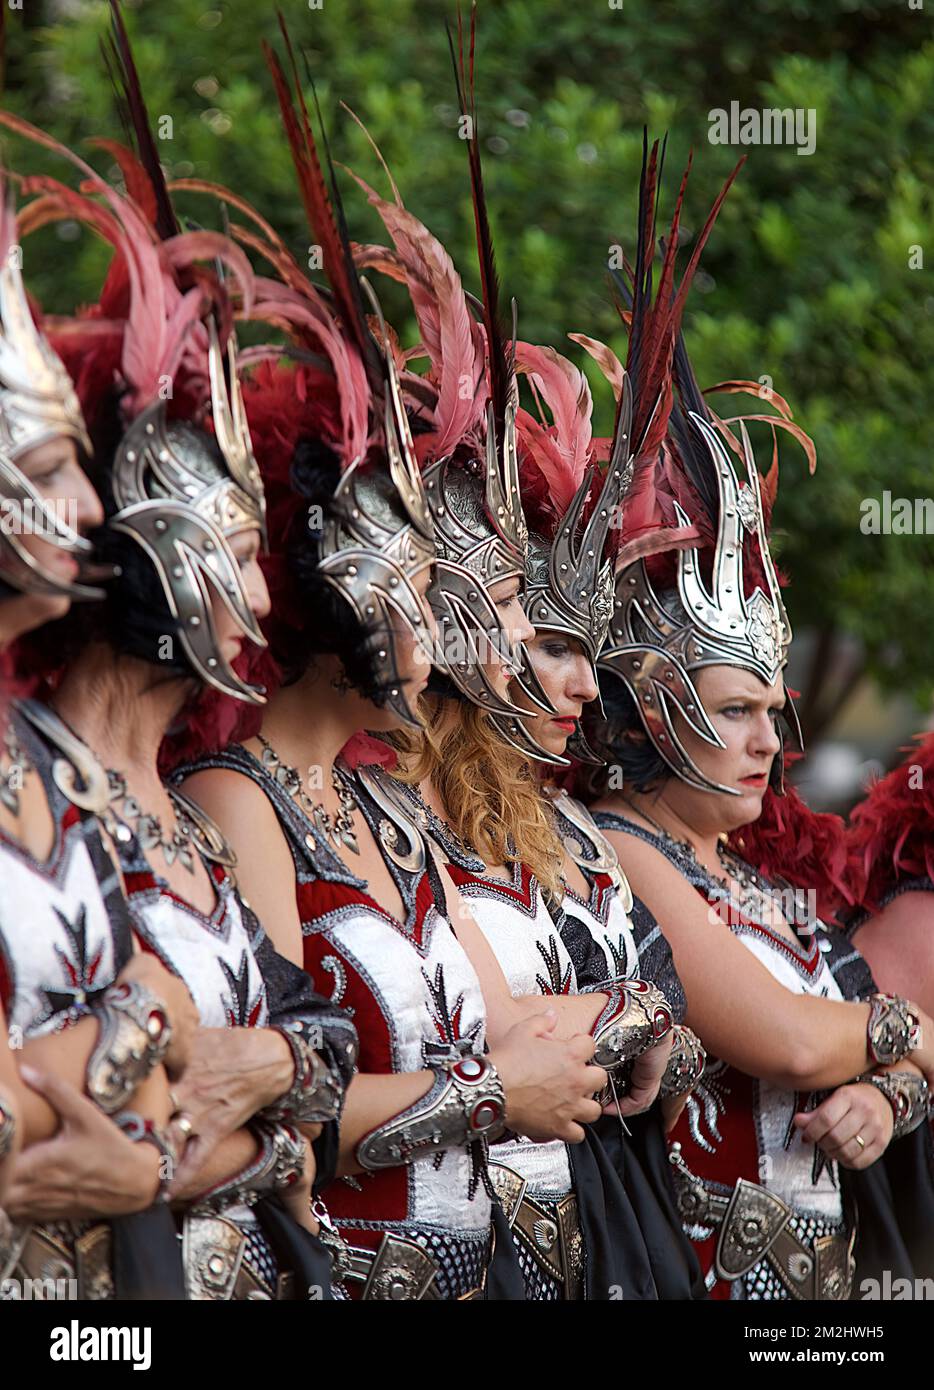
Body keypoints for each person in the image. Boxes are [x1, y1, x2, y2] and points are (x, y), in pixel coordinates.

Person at [174, 45, 605, 1301]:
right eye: (416, 597)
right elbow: (286, 1097)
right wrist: (487, 1093)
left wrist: (614, 1027)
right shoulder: (233, 798)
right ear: (337, 600)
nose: (445, 636)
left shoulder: (392, 803)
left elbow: (517, 1023)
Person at [4, 97, 357, 1300]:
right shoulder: (50, 769)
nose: (265, 588)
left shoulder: (179, 811)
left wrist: (256, 1079)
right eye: (236, 549)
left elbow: (324, 1044)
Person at [584, 142, 934, 1299]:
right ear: (650, 701)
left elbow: (897, 1045)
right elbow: (785, 1038)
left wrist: (886, 1087)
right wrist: (890, 1035)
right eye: (735, 710)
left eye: (773, 713)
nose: (768, 744)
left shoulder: (756, 880)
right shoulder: (621, 851)